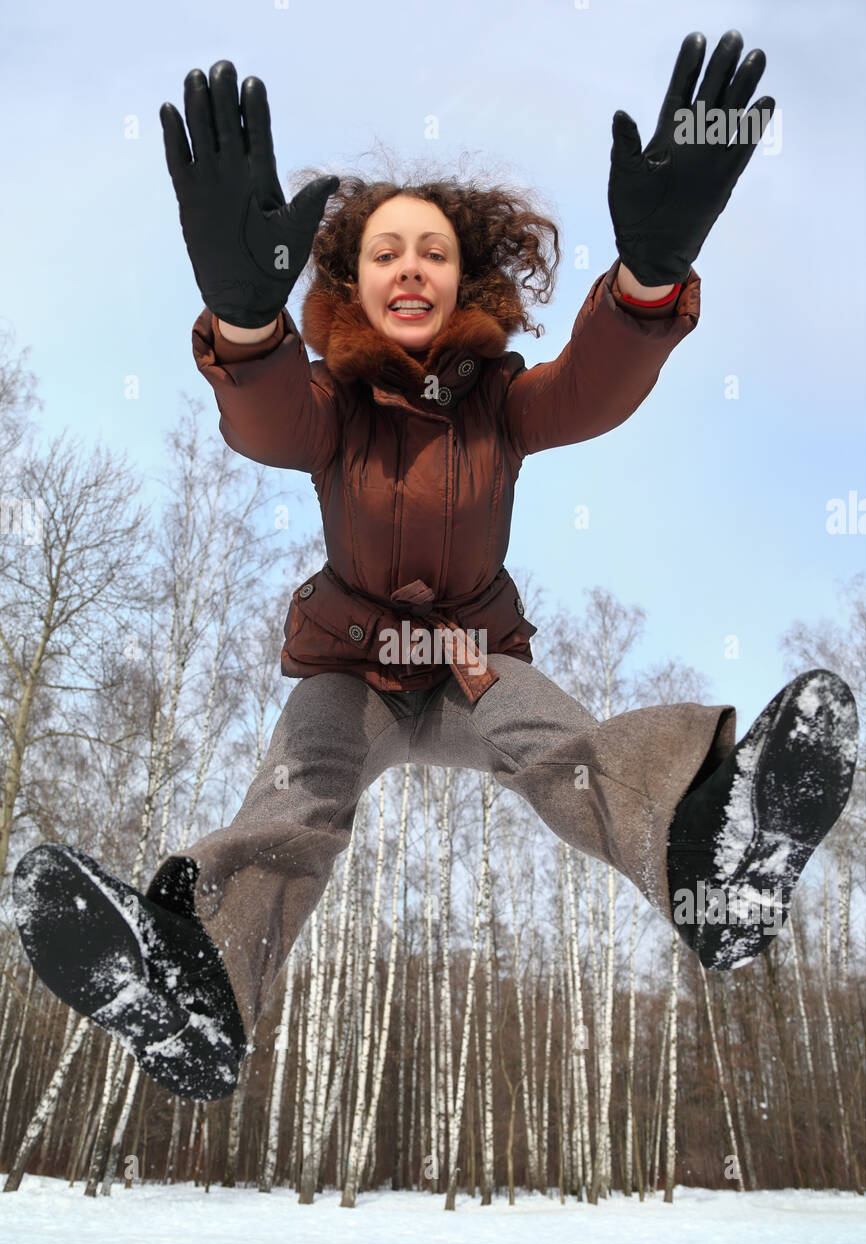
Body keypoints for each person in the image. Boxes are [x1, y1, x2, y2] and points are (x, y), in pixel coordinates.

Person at [12, 34, 858, 1103]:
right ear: (350, 284)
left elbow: (590, 392)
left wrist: (647, 278)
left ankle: (708, 858)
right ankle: (197, 992)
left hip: (468, 659)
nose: (408, 265)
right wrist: (243, 318)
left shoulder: (501, 401)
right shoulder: (330, 405)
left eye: (432, 250)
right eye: (383, 252)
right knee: (298, 795)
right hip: (350, 671)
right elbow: (267, 421)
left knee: (559, 743)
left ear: (467, 276)